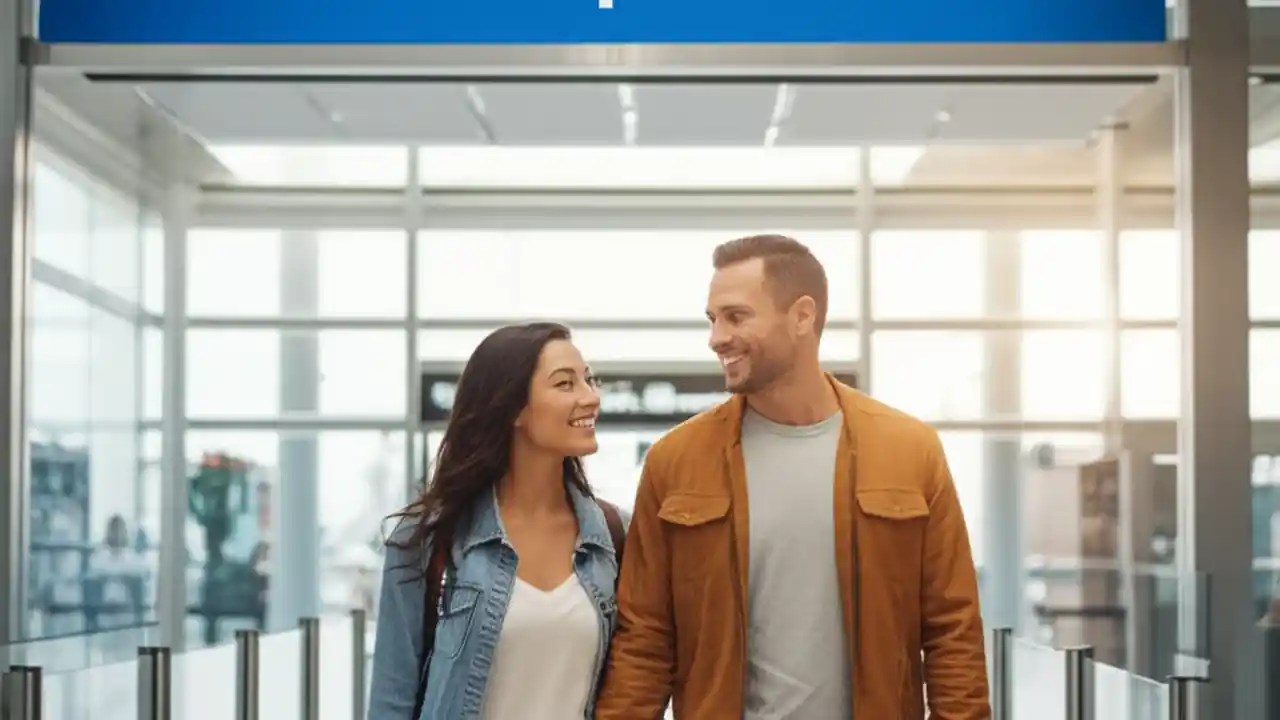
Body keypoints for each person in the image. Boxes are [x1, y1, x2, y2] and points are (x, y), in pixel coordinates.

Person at [597, 235, 989, 719]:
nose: (717, 337)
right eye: (712, 319)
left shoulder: (910, 450)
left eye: (736, 316)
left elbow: (953, 632)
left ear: (802, 316)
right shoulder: (676, 461)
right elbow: (646, 639)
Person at [368, 322, 627, 720]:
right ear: (513, 408)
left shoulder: (613, 536)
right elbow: (391, 701)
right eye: (565, 384)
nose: (590, 397)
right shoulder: (427, 539)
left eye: (589, 380)